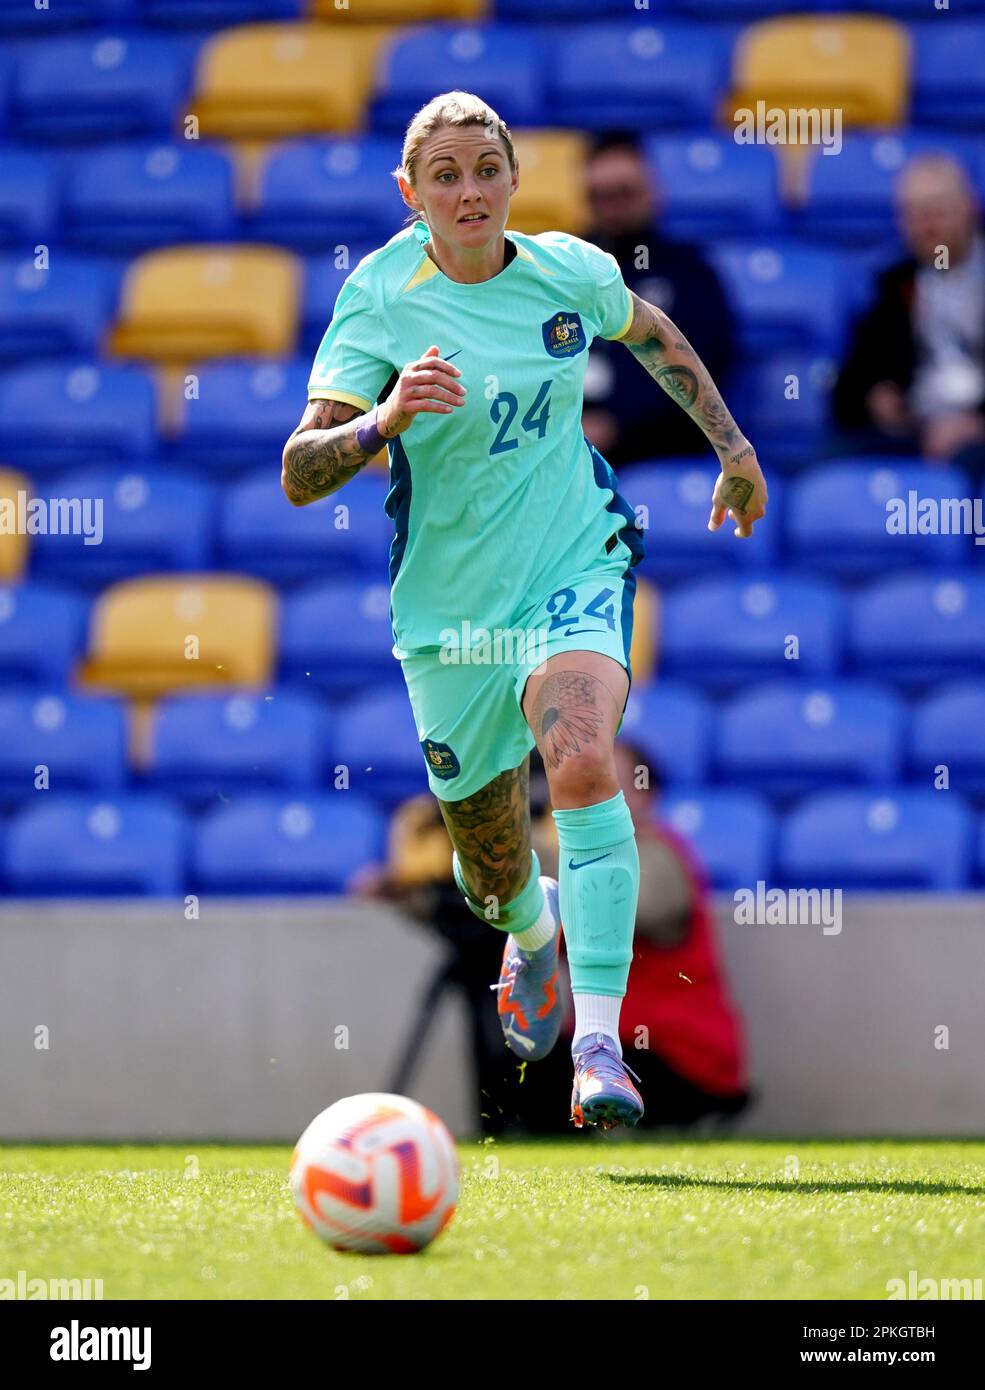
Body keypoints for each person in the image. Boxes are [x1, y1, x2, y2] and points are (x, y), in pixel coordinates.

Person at [282, 90, 767, 1132]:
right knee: (490, 866)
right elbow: (298, 472)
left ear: (512, 180)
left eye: (484, 169)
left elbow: (652, 333)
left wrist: (730, 447)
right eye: (444, 175)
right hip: (450, 614)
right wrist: (384, 416)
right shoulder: (378, 298)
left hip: (570, 561)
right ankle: (531, 931)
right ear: (410, 193)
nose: (468, 190)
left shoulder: (566, 272)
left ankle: (598, 1042)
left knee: (584, 756)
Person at [580, 130, 737, 465]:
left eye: (624, 192)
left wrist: (617, 425)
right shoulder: (567, 268)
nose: (613, 206)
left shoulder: (691, 272)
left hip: (665, 452)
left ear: (652, 191)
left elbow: (706, 366)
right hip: (569, 454)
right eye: (600, 195)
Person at [834, 153, 985, 468]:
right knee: (830, 462)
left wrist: (975, 424)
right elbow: (849, 387)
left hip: (975, 436)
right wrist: (873, 398)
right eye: (914, 214)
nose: (926, 226)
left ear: (969, 207)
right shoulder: (895, 283)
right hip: (914, 433)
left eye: (936, 211)